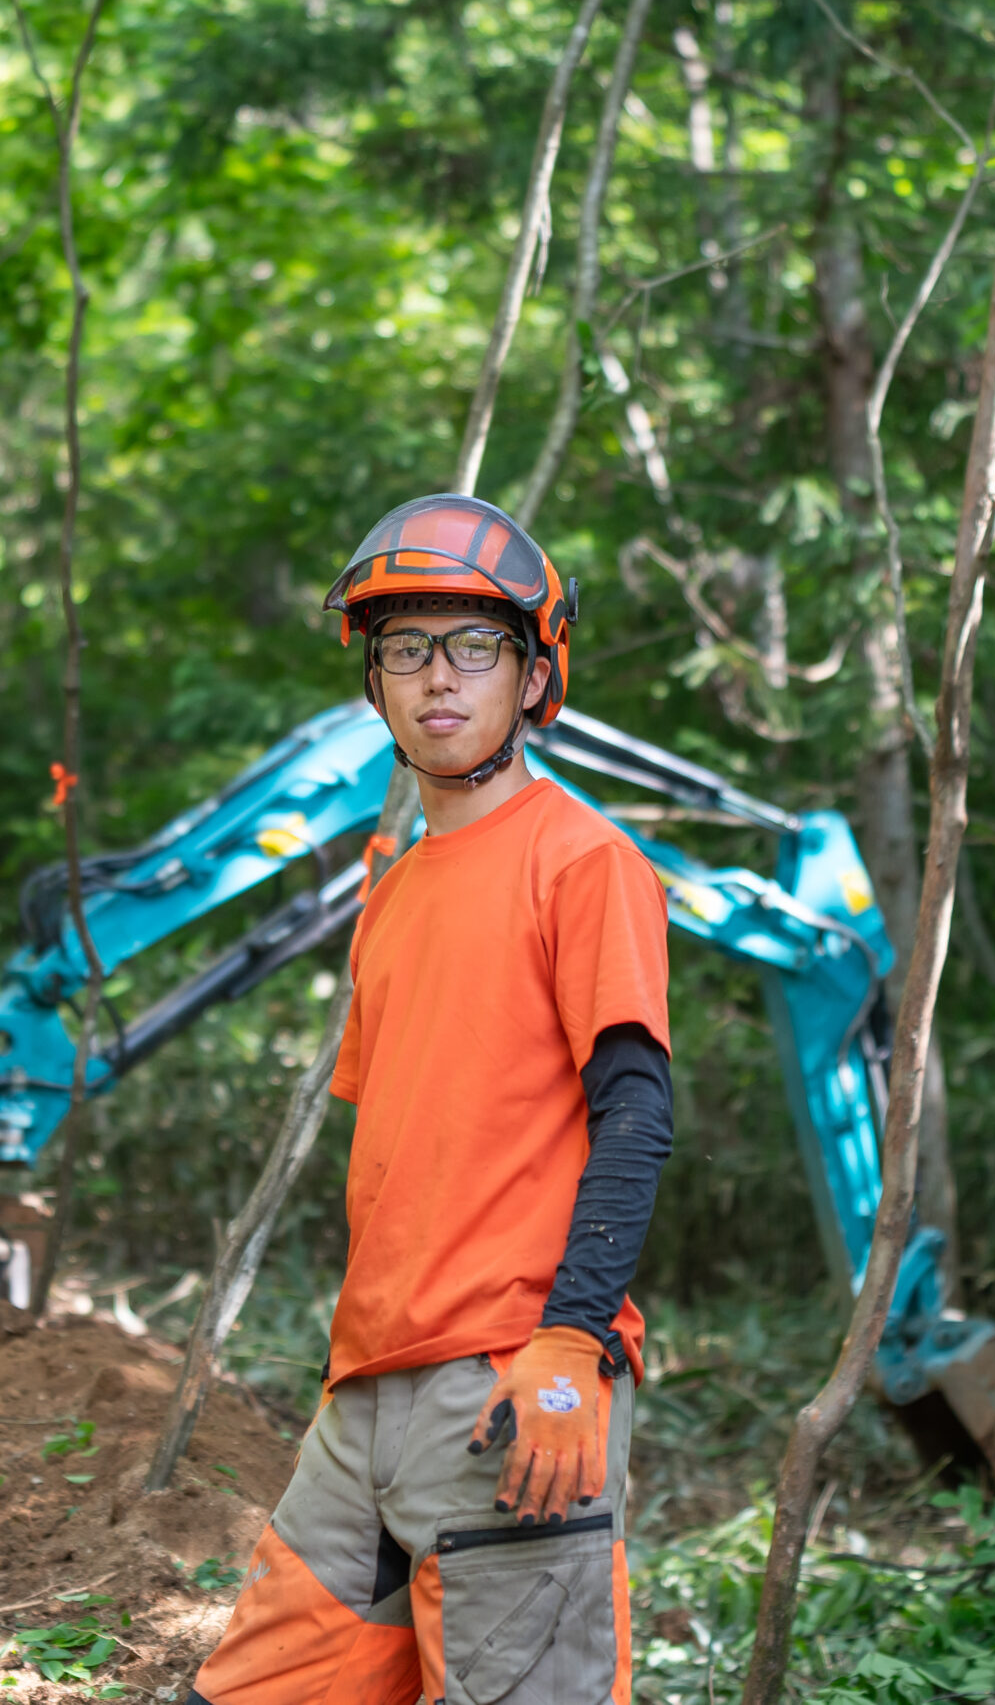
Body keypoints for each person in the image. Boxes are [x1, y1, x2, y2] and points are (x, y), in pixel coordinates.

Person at [187, 494, 675, 1705]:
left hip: (510, 1384)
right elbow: (413, 1146)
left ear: (532, 674)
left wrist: (569, 1340)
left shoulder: (585, 861)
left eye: (474, 646)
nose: (436, 677)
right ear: (375, 681)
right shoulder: (394, 890)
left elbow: (636, 1112)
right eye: (405, 647)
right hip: (366, 1399)